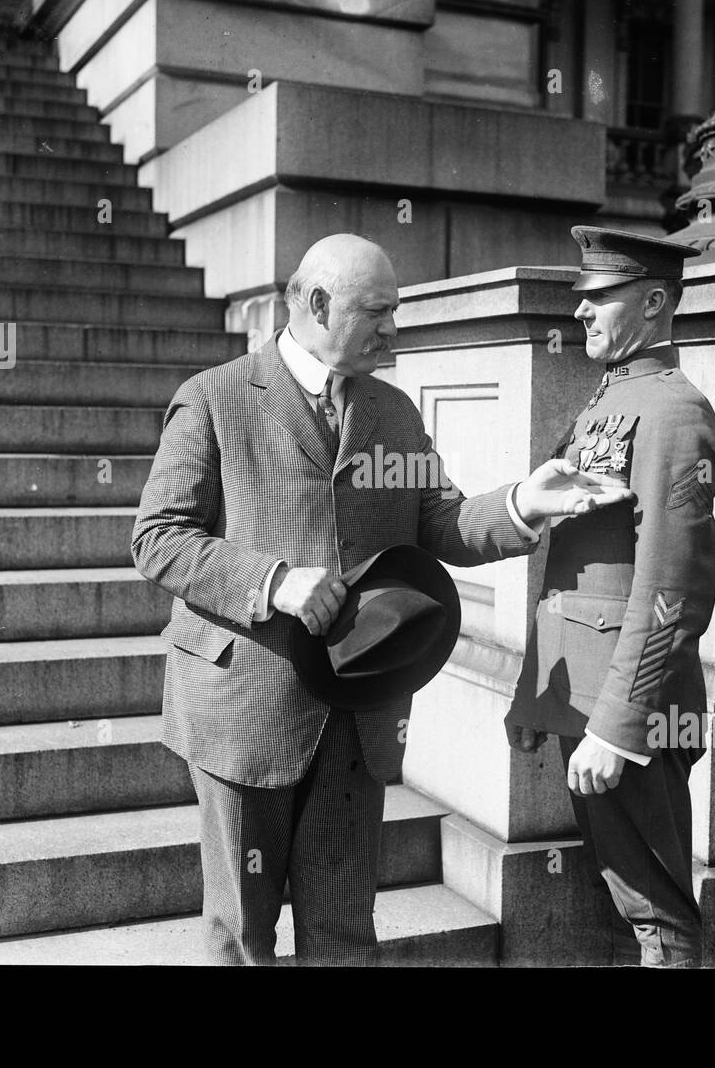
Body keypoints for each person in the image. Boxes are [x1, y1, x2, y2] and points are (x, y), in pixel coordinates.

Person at [132, 233, 631, 965]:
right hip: (241, 714)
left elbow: (440, 519)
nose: (394, 330)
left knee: (345, 934)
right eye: (378, 312)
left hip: (355, 716)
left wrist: (526, 500)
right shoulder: (213, 398)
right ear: (316, 303)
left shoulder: (391, 412)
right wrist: (273, 581)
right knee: (240, 936)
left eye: (396, 311)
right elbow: (157, 537)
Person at [506, 226, 715, 968]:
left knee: (658, 914)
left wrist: (618, 726)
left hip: (629, 711)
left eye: (601, 297)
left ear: (657, 301)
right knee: (625, 897)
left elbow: (674, 585)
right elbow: (573, 567)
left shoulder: (673, 413)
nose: (582, 312)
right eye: (583, 297)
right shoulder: (610, 399)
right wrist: (533, 692)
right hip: (586, 697)